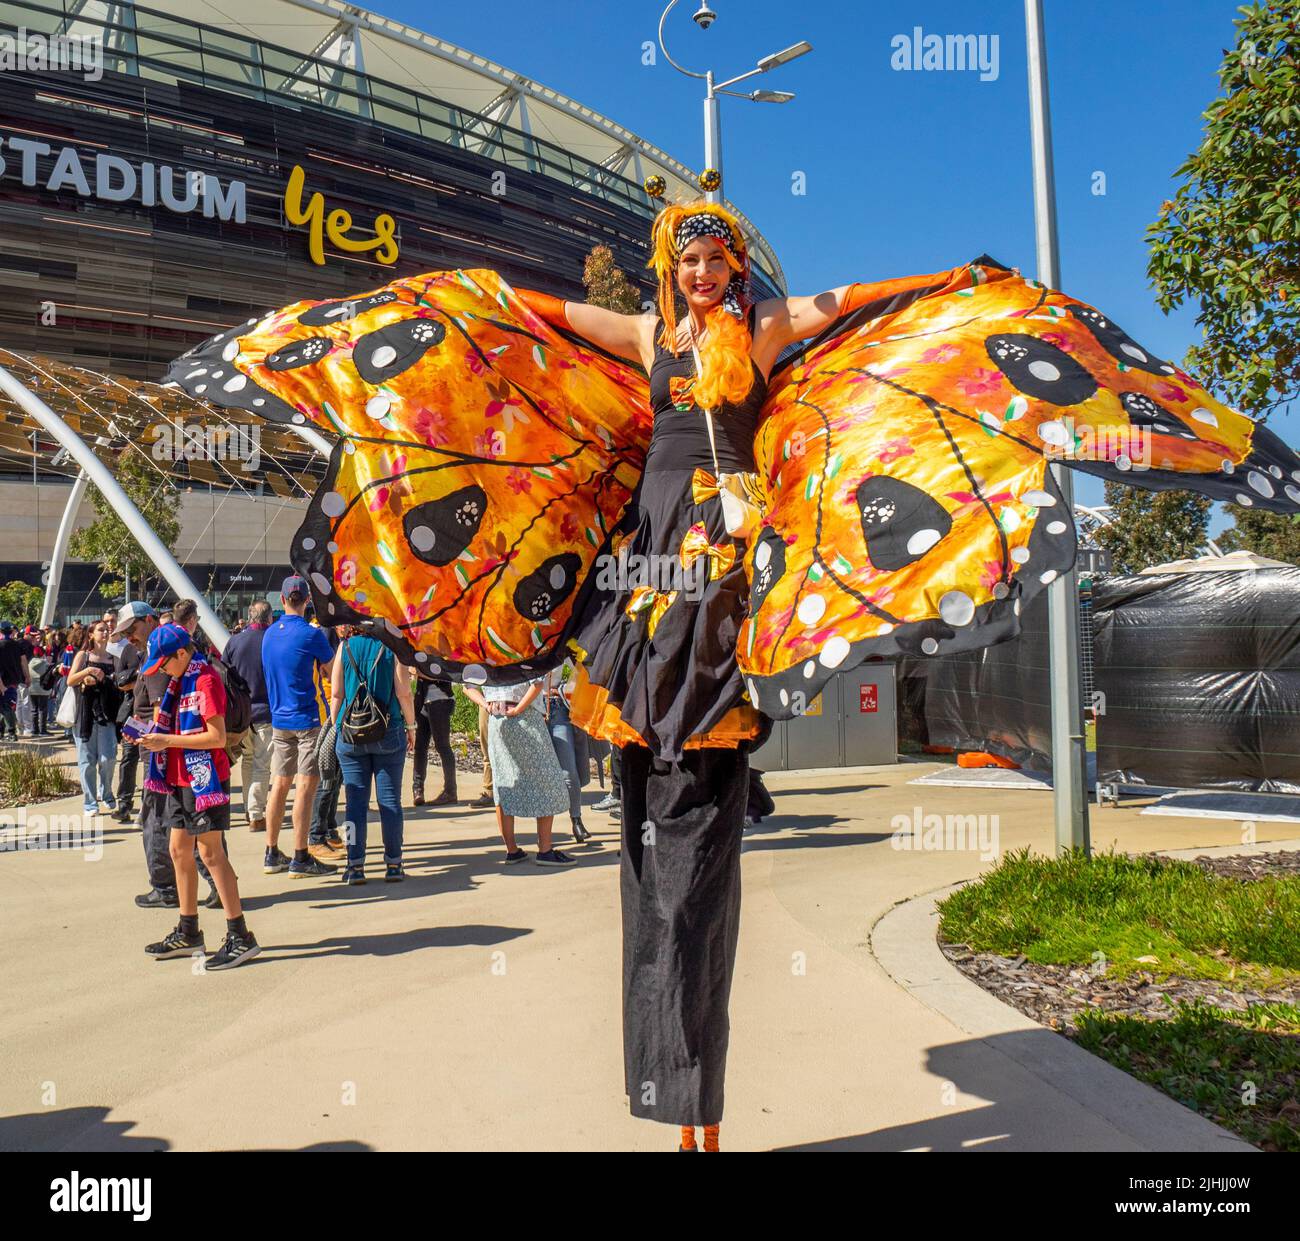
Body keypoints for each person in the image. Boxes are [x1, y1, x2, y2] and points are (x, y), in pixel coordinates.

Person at [139, 623, 260, 969]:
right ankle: (188, 928)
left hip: (204, 781)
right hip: (180, 778)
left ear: (182, 653)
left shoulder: (204, 679)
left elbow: (216, 737)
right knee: (179, 851)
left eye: (163, 663)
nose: (160, 670)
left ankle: (240, 935)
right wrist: (153, 737)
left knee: (210, 854)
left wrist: (167, 742)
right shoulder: (180, 681)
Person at [260, 575, 337, 878]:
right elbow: (333, 672)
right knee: (305, 786)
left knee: (279, 783)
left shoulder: (268, 635)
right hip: (308, 718)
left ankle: (270, 851)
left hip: (279, 720)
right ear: (307, 601)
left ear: (281, 600)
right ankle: (301, 857)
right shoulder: (312, 635)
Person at [328, 627, 416, 884]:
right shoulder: (392, 648)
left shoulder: (345, 647)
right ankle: (394, 863)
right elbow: (404, 693)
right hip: (388, 729)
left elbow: (336, 694)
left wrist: (337, 727)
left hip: (351, 734)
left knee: (354, 804)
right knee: (390, 801)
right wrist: (411, 727)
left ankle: (354, 865)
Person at [462, 678, 575, 867]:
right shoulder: (520, 649)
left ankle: (512, 850)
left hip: (496, 720)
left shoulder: (486, 651)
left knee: (504, 781)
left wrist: (486, 705)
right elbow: (537, 683)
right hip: (524, 717)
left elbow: (467, 685)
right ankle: (545, 849)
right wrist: (518, 709)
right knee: (547, 777)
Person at [222, 600, 274, 832]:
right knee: (262, 765)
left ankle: (248, 808)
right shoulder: (273, 641)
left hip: (241, 714)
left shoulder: (234, 642)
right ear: (269, 618)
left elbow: (223, 674)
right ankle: (255, 813)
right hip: (266, 711)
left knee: (249, 759)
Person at [67, 620, 121, 817]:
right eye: (101, 630)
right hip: (85, 713)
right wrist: (88, 671)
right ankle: (90, 802)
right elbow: (70, 680)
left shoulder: (113, 658)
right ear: (91, 634)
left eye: (107, 630)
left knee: (108, 758)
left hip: (106, 714)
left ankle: (105, 792)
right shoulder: (83, 656)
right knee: (87, 760)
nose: (105, 632)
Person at [110, 603, 156, 824]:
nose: (129, 638)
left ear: (148, 620)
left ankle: (146, 812)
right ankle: (128, 804)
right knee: (129, 759)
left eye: (131, 630)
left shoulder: (164, 651)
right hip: (139, 724)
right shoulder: (138, 650)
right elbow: (121, 681)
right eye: (125, 633)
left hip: (160, 738)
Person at [542, 664, 591, 844]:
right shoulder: (521, 644)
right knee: (540, 774)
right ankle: (543, 834)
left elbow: (581, 670)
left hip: (556, 708)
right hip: (531, 711)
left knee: (568, 771)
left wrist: (564, 689)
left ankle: (576, 820)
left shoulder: (559, 643)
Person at [412, 670, 457, 806]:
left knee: (442, 746)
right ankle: (417, 790)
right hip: (422, 699)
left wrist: (417, 670)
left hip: (440, 699)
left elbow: (442, 672)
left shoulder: (442, 650)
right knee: (419, 746)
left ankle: (450, 792)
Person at [0, 619, 28, 740]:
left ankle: (10, 733)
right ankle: (7, 732)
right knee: (7, 706)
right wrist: (27, 676)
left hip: (3, 680)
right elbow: (24, 661)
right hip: (13, 681)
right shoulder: (17, 645)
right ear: (11, 631)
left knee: (4, 707)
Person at [26, 646, 52, 736]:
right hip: (43, 689)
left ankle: (35, 729)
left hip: (32, 688)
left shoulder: (29, 663)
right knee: (43, 710)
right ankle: (43, 730)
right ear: (42, 653)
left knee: (34, 709)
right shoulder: (45, 664)